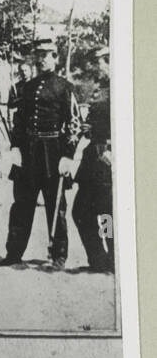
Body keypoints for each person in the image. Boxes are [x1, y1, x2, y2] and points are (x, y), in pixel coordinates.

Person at [1, 38, 75, 269]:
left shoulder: (65, 87)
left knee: (56, 206)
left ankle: (58, 255)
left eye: (47, 54)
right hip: (28, 151)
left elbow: (73, 124)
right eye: (39, 55)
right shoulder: (28, 87)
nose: (42, 59)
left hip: (53, 151)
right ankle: (14, 253)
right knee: (22, 203)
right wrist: (15, 147)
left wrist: (67, 155)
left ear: (55, 58)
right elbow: (19, 121)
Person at [70, 45, 113, 272]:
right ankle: (99, 258)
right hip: (91, 159)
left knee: (107, 213)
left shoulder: (122, 87)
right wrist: (87, 127)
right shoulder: (101, 89)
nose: (95, 67)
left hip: (107, 159)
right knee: (81, 211)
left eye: (98, 62)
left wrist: (114, 150)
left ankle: (113, 257)